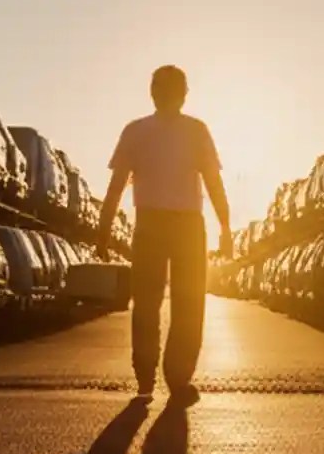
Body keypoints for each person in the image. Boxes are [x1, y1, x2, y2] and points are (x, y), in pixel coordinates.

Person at [97, 65, 233, 404]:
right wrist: (226, 227)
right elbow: (214, 184)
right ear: (184, 94)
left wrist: (103, 230)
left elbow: (115, 189)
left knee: (146, 303)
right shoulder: (196, 130)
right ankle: (178, 376)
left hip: (150, 225)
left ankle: (145, 376)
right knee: (189, 303)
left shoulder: (135, 131)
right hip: (187, 225)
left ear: (153, 93)